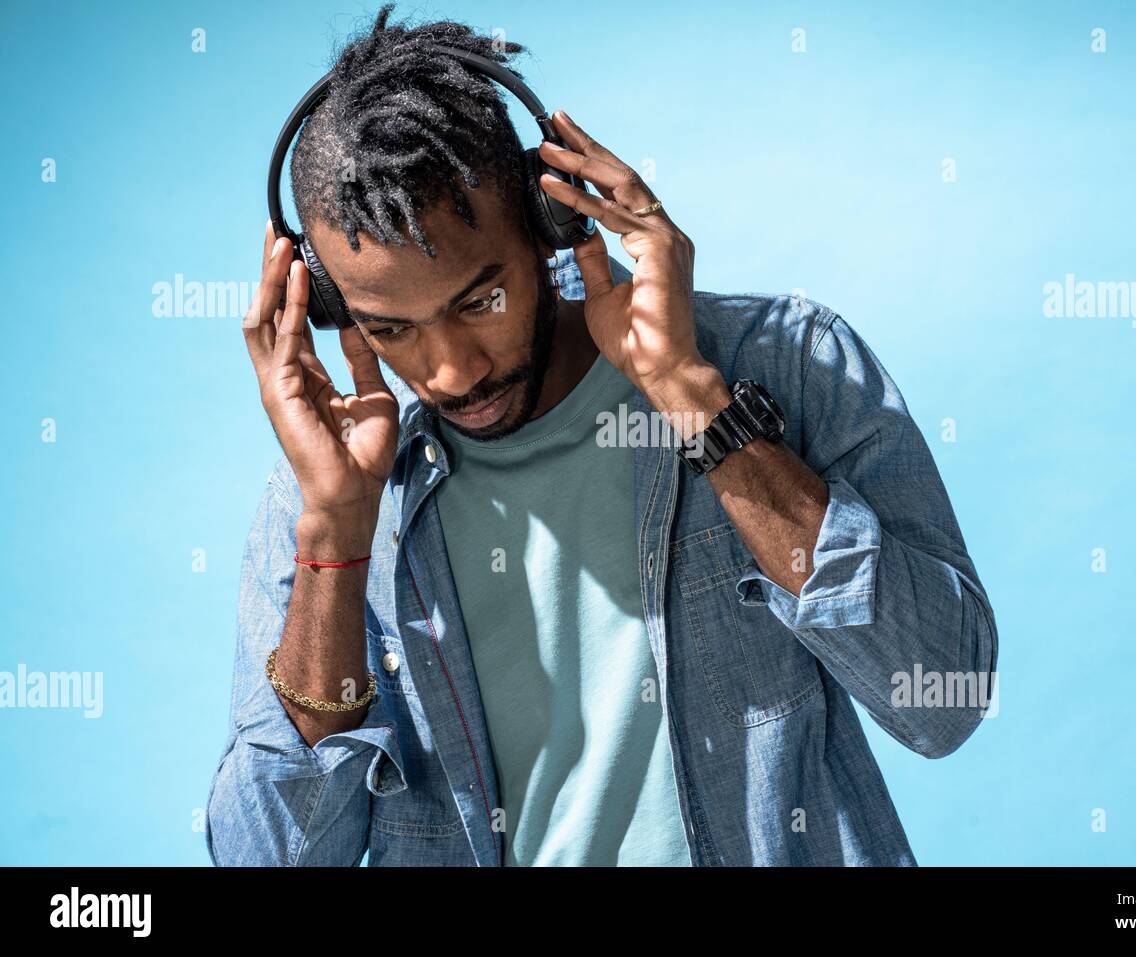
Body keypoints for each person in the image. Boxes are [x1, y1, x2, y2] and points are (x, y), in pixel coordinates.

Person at [205, 5, 998, 866]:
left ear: (553, 219)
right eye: (391, 330)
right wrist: (332, 536)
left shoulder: (785, 360)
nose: (450, 370)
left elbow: (941, 698)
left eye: (479, 302)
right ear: (326, 308)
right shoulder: (330, 499)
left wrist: (695, 398)